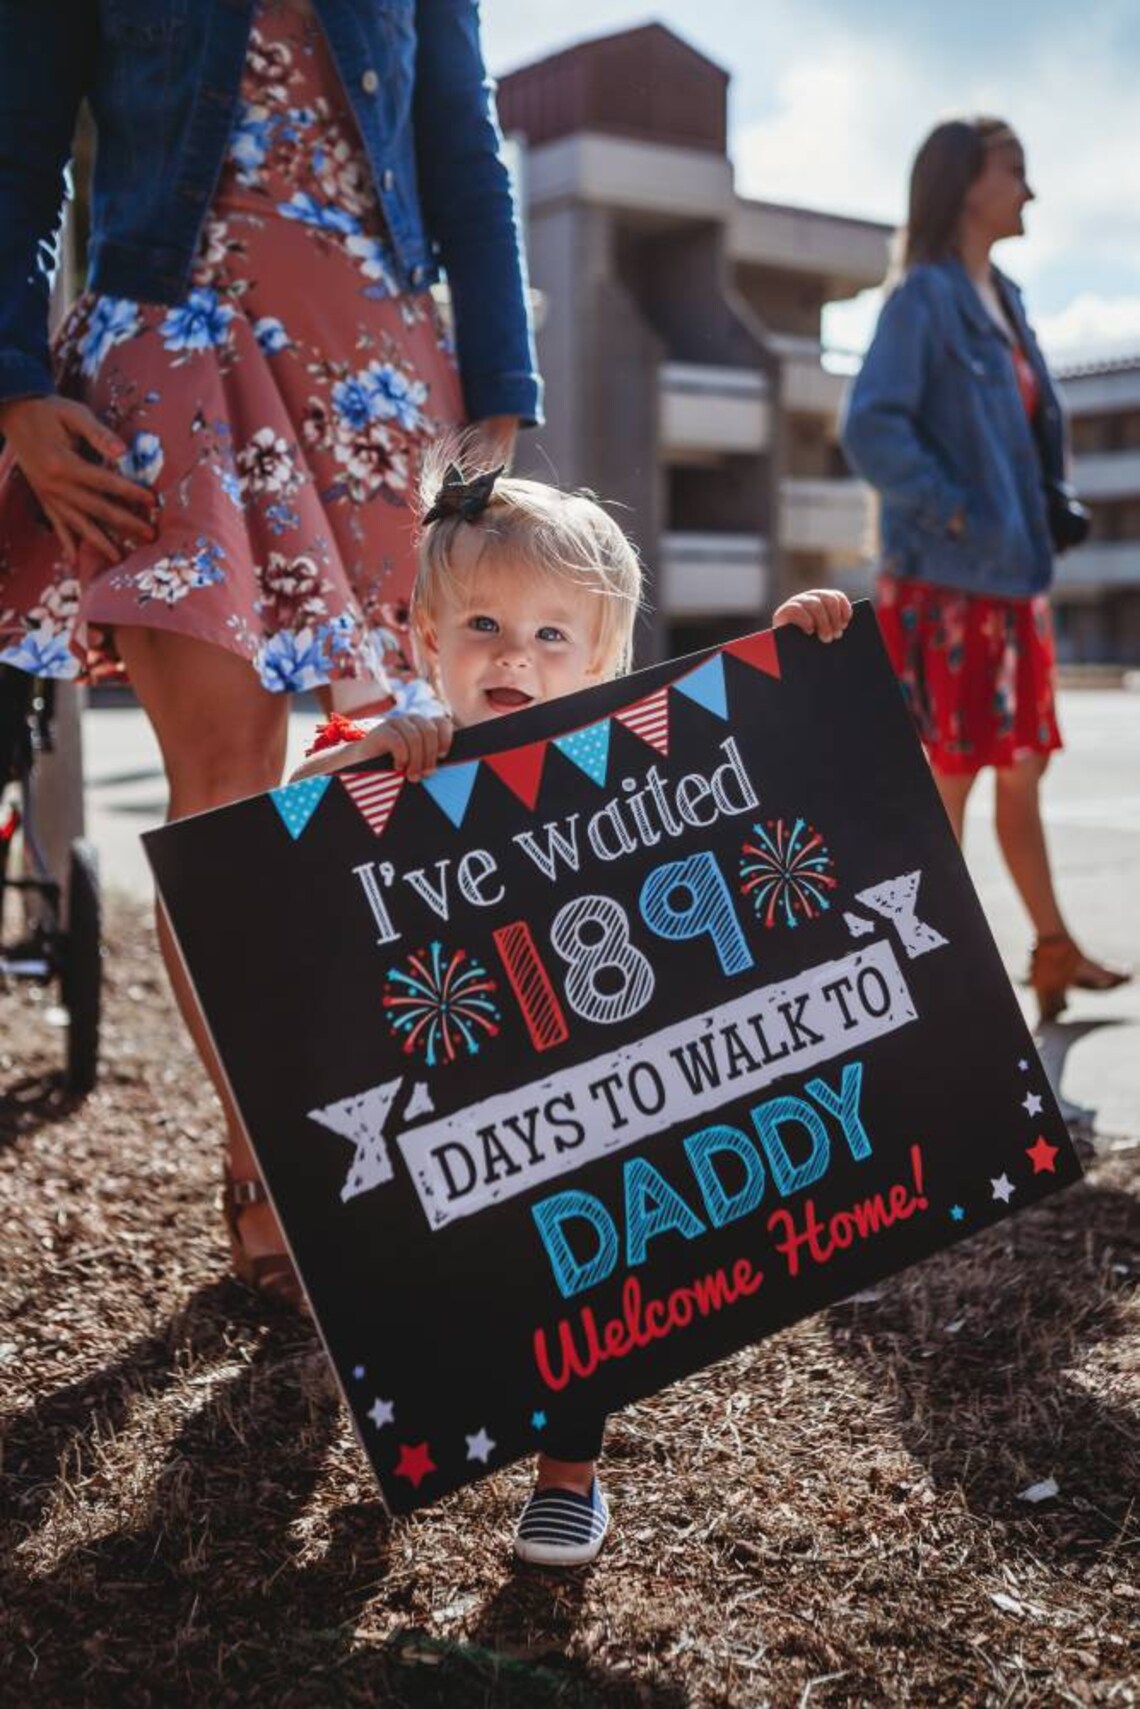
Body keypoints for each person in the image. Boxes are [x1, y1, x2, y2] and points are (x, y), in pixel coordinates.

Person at [0, 0, 542, 1305]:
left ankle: (432, 1132)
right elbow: (15, 150)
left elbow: (464, 148)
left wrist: (502, 390)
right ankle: (277, 1167)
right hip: (170, 349)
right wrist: (14, 383)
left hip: (381, 372)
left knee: (418, 771)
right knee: (226, 795)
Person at [296, 449, 854, 1565]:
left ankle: (568, 1474)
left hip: (585, 1078)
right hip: (446, 1088)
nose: (515, 654)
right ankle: (433, 1426)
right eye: (484, 625)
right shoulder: (400, 754)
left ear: (602, 657)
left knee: (587, 1261)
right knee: (451, 1266)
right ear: (426, 638)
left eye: (553, 633)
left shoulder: (613, 758)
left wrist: (796, 653)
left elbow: (755, 754)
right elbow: (274, 857)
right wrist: (362, 763)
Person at [841, 116, 1130, 1025]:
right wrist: (960, 507)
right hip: (949, 582)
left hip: (1012, 579)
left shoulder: (1005, 296)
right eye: (1016, 170)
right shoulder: (924, 298)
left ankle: (1051, 946)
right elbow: (870, 427)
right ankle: (928, 980)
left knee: (1020, 770)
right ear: (968, 184)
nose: (1030, 189)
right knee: (952, 782)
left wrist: (1041, 501)